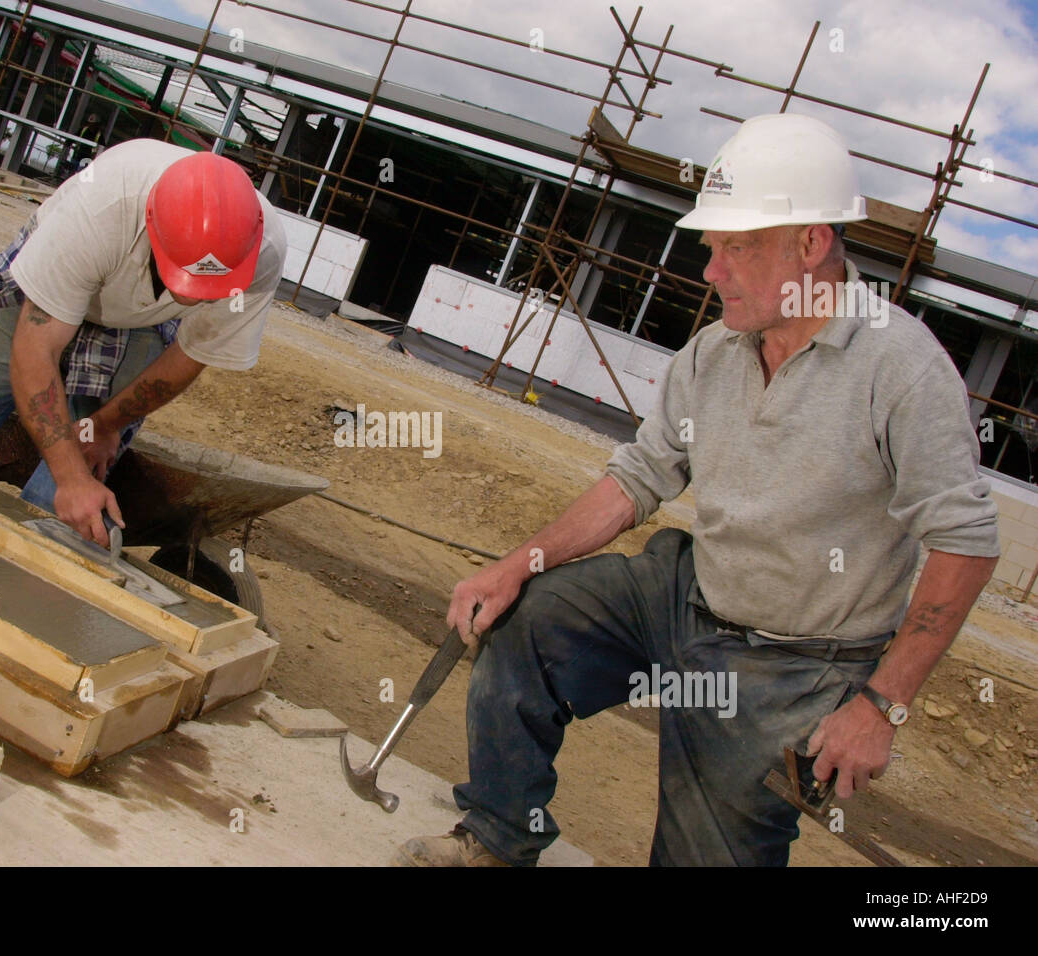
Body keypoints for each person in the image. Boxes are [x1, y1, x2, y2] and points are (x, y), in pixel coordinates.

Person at [395, 113, 1000, 866]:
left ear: (811, 243)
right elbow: (641, 476)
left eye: (736, 248)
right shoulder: (715, 350)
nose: (711, 271)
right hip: (682, 596)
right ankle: (497, 836)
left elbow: (966, 542)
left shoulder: (903, 370)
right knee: (530, 620)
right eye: (712, 248)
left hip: (797, 664)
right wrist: (520, 563)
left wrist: (880, 704)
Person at [0, 140, 287, 547]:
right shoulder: (102, 209)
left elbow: (190, 355)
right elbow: (35, 349)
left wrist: (105, 426)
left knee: (78, 473)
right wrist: (70, 478)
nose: (199, 295)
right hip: (50, 284)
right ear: (153, 228)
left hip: (140, 320)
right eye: (190, 278)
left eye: (212, 286)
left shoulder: (263, 252)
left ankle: (33, 557)